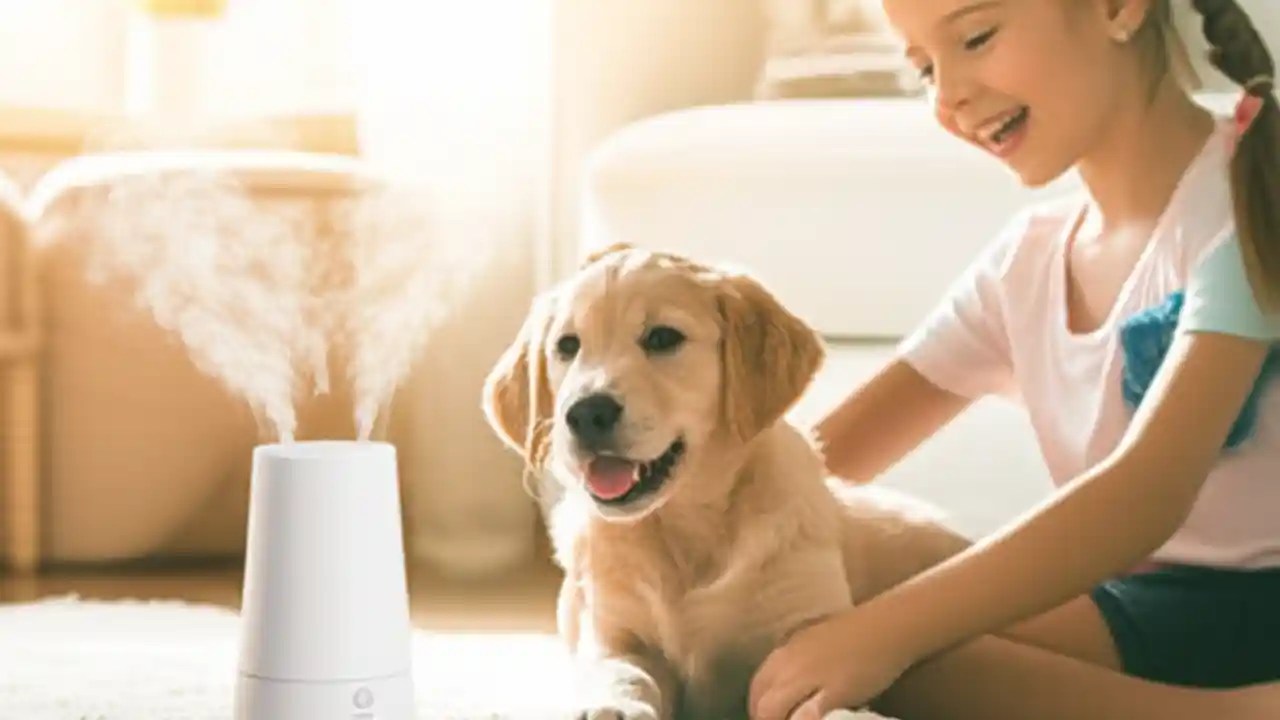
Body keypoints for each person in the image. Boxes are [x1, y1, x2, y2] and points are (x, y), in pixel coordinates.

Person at [746, 0, 1280, 718]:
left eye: (976, 37)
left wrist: (881, 632)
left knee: (883, 644)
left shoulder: (1253, 197)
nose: (948, 94)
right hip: (1148, 608)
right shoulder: (1026, 261)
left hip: (1261, 599)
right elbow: (812, 465)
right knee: (848, 640)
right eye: (925, 69)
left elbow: (1143, 497)